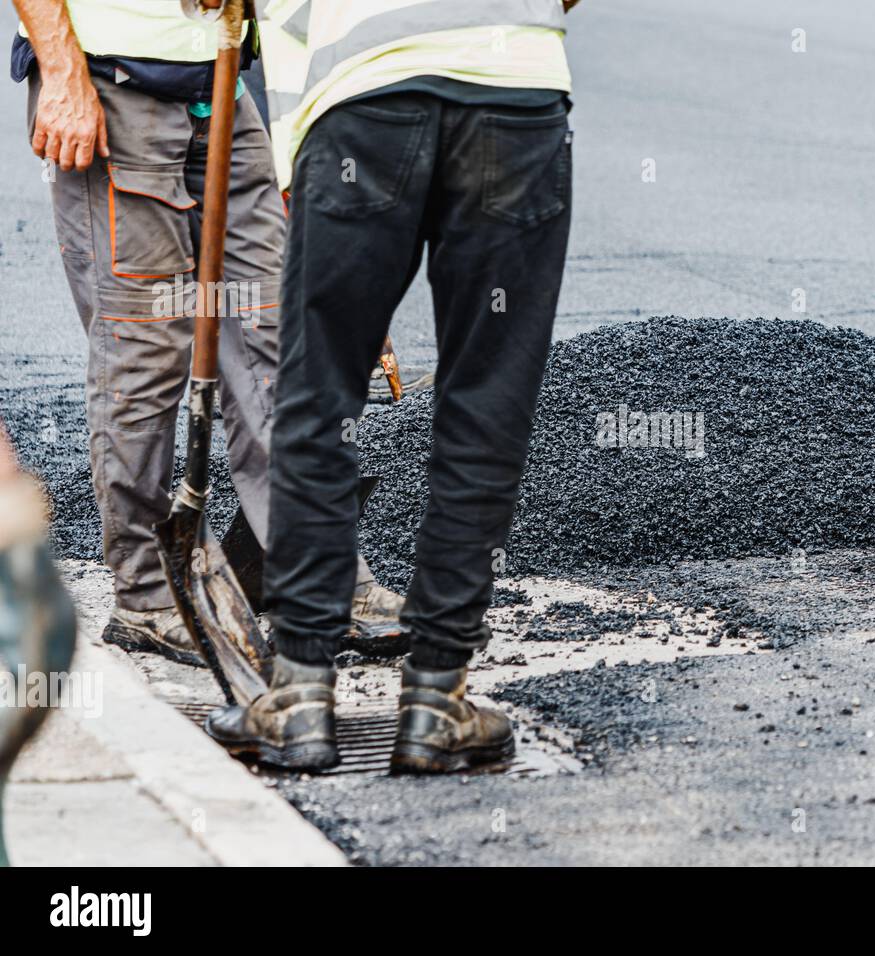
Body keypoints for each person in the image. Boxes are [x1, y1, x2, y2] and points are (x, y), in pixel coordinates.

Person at [205, 0, 578, 773]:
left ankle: (301, 695)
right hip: (513, 93)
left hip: (364, 98)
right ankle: (438, 699)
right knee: (487, 400)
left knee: (317, 394)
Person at [10, 0, 405, 665]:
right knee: (147, 346)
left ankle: (316, 574)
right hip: (111, 83)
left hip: (220, 78)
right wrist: (60, 65)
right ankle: (148, 592)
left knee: (275, 335)